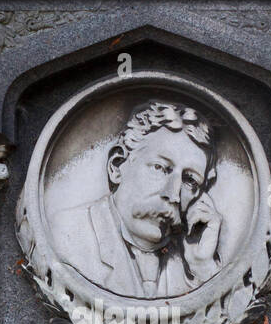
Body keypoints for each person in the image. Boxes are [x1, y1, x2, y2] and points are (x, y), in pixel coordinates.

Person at [49, 99, 222, 298]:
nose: (173, 195)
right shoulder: (66, 234)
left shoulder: (193, 263)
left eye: (190, 180)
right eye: (160, 168)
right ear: (116, 166)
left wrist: (203, 266)